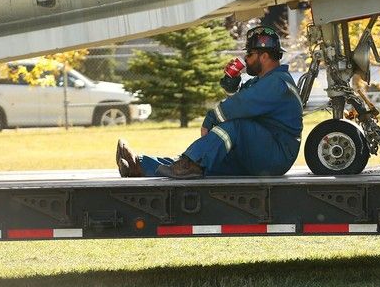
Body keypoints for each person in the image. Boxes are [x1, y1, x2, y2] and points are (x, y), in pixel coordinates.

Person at [116, 26, 303, 179]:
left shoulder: (277, 82)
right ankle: (139, 166)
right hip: (261, 150)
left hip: (275, 155)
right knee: (209, 160)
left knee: (232, 129)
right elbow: (242, 104)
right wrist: (232, 85)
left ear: (264, 56)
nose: (245, 58)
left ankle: (190, 164)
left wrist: (210, 118)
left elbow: (240, 106)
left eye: (250, 53)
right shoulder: (265, 81)